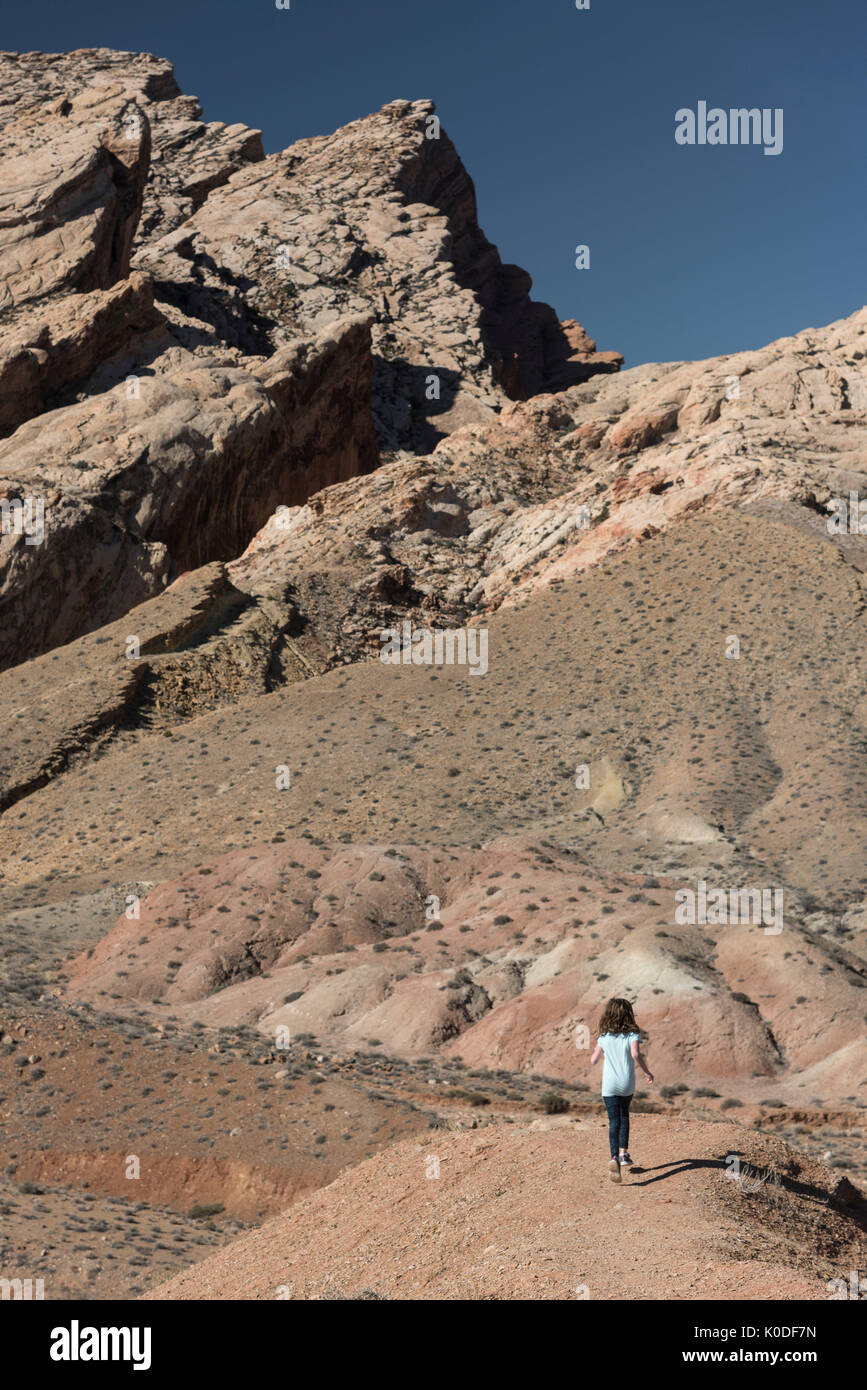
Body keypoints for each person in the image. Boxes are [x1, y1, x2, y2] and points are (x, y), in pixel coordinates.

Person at [590, 997, 654, 1182]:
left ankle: (613, 1158)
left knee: (613, 1120)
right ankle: (624, 1154)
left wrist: (601, 1050)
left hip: (608, 1084)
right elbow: (635, 1054)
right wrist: (647, 1072)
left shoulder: (603, 1036)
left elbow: (593, 1060)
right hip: (626, 1083)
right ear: (629, 1014)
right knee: (624, 1115)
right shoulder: (633, 1034)